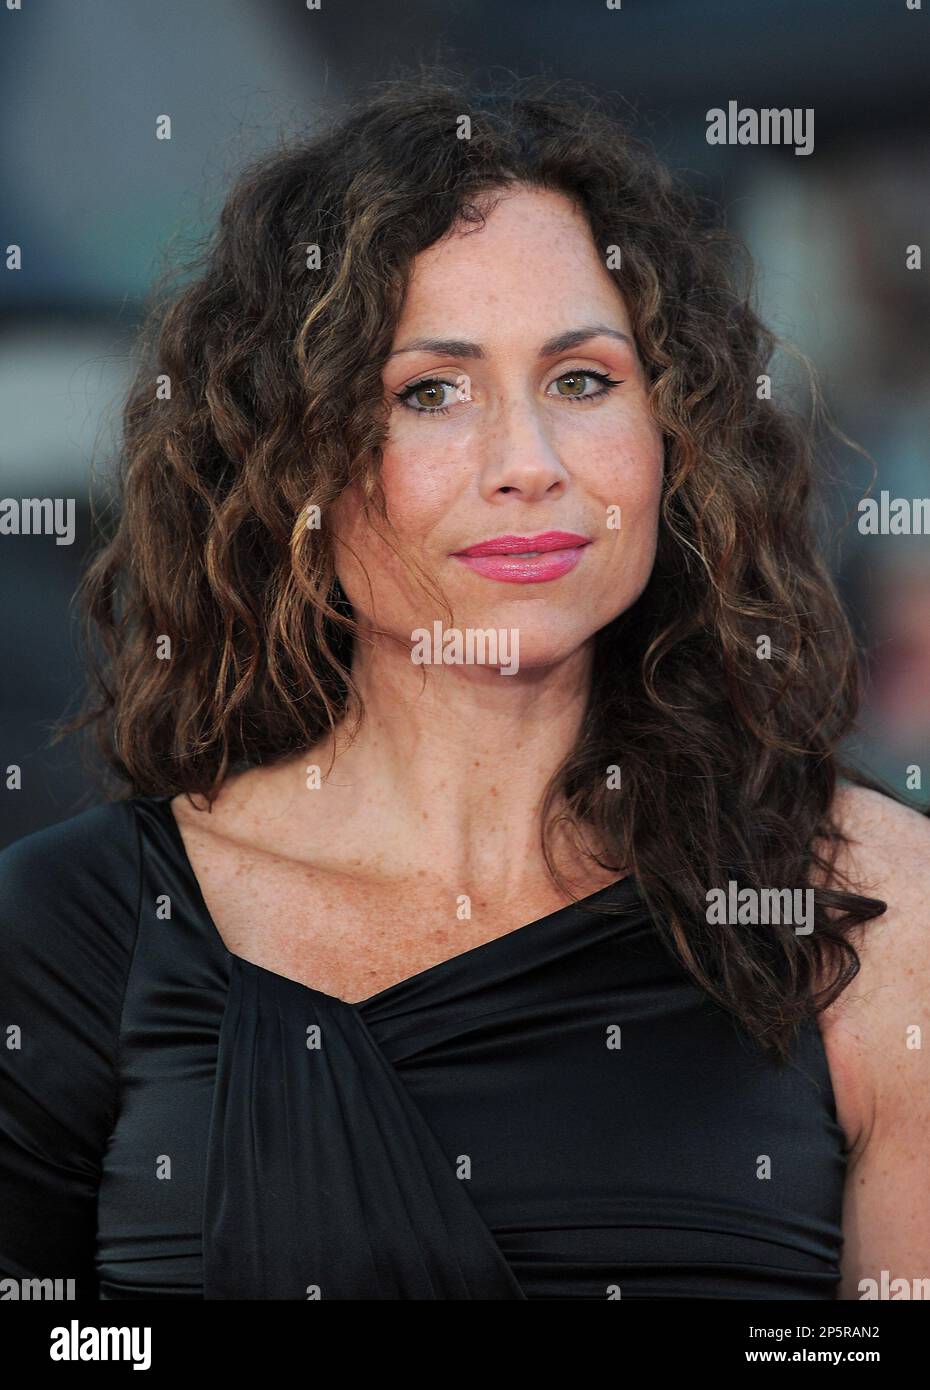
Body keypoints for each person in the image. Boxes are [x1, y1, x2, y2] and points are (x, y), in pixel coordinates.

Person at [1, 73, 928, 1301]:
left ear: (677, 437)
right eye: (428, 392)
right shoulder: (78, 927)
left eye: (584, 380)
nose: (527, 466)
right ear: (294, 463)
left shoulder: (868, 907)